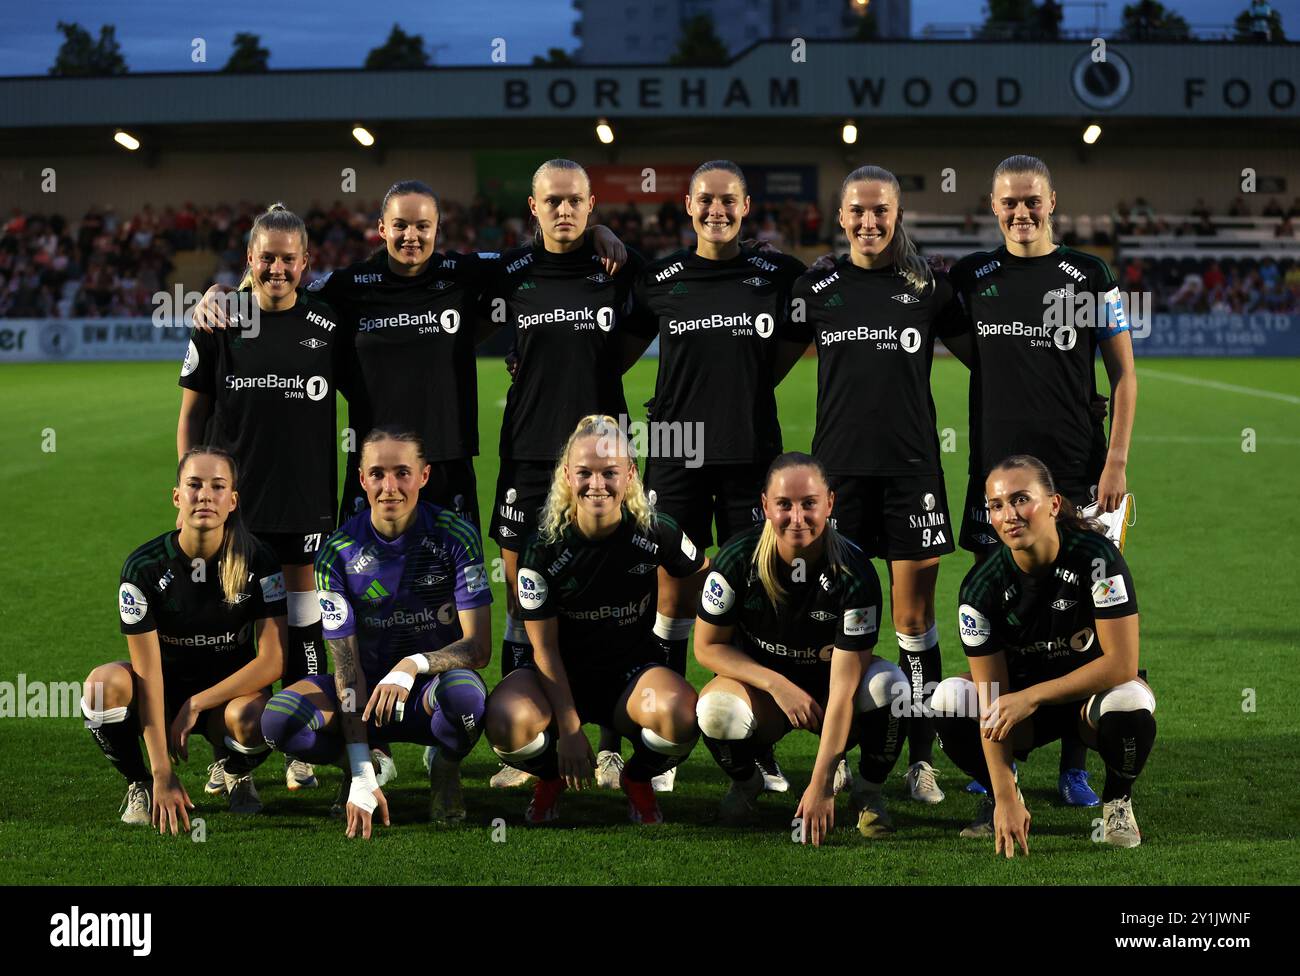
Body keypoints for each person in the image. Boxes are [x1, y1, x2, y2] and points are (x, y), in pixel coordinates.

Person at [946, 154, 1137, 805]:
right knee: (1004, 616)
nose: (1022, 212)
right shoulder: (972, 276)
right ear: (992, 207)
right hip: (995, 483)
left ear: (1052, 200)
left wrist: (1115, 460)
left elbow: (1125, 376)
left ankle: (1074, 766)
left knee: (1083, 622)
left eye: (1033, 200)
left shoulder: (1089, 274)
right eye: (1009, 203)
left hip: (1077, 474)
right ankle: (1004, 755)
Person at [627, 160, 809, 792]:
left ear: (746, 205)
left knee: (755, 597)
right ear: (687, 204)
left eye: (728, 201)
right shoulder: (661, 278)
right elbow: (614, 344)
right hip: (675, 453)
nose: (716, 210)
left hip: (752, 457)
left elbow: (785, 354)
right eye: (706, 200)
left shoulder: (778, 275)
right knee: (671, 595)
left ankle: (756, 742)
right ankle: (666, 738)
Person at [790, 164, 968, 806]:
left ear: (898, 215)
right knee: (836, 620)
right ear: (840, 218)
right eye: (857, 212)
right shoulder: (818, 285)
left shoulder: (928, 287)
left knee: (914, 620)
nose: (869, 222)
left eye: (881, 211)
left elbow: (994, 352)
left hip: (913, 471)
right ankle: (835, 756)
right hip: (836, 478)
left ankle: (921, 759)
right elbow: (763, 358)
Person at [484, 159, 650, 791]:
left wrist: (619, 243)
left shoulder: (618, 267)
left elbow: (636, 332)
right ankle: (527, 740)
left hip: (604, 457)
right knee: (519, 590)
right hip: (528, 454)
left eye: (575, 201)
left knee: (611, 583)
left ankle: (611, 739)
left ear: (591, 204)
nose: (563, 210)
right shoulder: (509, 273)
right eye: (551, 201)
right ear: (534, 207)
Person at [258, 428, 492, 839]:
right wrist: (362, 770)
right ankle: (356, 769)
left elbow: (478, 647)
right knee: (279, 723)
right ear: (363, 479)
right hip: (362, 696)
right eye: (378, 474)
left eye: (403, 473)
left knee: (466, 696)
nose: (390, 487)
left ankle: (446, 766)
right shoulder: (337, 552)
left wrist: (412, 666)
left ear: (424, 476)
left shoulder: (456, 536)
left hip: (428, 692)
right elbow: (345, 666)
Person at [178, 202, 339, 794]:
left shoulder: (328, 326)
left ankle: (299, 748)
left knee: (304, 631)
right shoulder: (220, 323)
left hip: (303, 507)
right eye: (266, 258)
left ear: (306, 263)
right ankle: (233, 753)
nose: (277, 268)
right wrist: (192, 490)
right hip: (234, 511)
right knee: (233, 632)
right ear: (250, 259)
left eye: (287, 259)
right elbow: (191, 416)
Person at [484, 415, 704, 825]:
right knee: (504, 719)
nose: (597, 484)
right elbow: (545, 648)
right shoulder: (543, 549)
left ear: (631, 474)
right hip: (556, 681)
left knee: (683, 716)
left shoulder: (656, 532)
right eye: (585, 473)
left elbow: (705, 576)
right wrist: (568, 730)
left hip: (630, 679)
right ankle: (550, 779)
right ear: (567, 475)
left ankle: (637, 780)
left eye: (609, 473)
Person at [930, 454, 1155, 853]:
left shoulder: (1097, 557)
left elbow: (1121, 663)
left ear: (1052, 504)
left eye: (1020, 499)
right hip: (1023, 711)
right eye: (996, 505)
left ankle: (1118, 802)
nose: (1009, 514)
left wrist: (1032, 695)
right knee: (948, 699)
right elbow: (991, 699)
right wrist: (1003, 797)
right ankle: (1004, 795)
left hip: (1089, 698)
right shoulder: (979, 589)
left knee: (1132, 701)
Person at [693, 453, 909, 845]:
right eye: (784, 505)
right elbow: (707, 648)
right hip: (767, 695)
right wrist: (777, 684)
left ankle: (867, 792)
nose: (797, 517)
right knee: (715, 710)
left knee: (892, 687)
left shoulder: (855, 573)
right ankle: (747, 782)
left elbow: (844, 688)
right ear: (764, 506)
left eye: (809, 503)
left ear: (830, 502)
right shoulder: (736, 559)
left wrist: (821, 783)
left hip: (831, 695)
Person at [82, 447, 288, 831]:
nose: (205, 495)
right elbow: (147, 676)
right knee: (100, 688)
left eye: (217, 486)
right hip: (160, 692)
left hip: (226, 698)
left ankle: (235, 770)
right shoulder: (143, 568)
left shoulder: (261, 561)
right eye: (194, 485)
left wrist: (196, 704)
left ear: (233, 500)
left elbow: (273, 662)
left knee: (260, 718)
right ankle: (138, 783)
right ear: (177, 496)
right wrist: (161, 772)